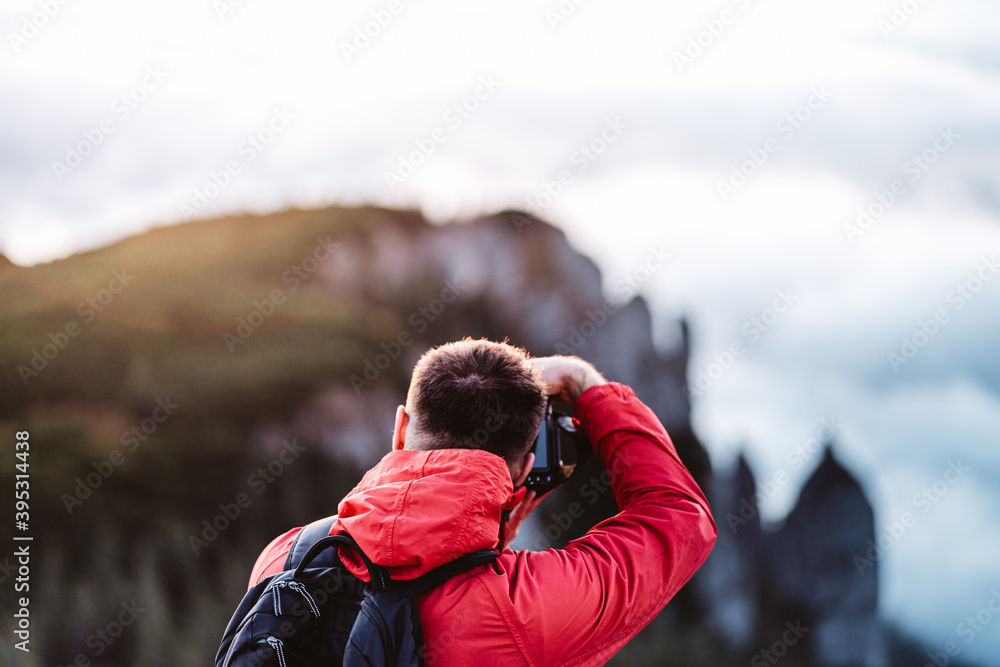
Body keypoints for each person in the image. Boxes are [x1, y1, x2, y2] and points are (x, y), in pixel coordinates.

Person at [247, 338, 717, 665]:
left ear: (400, 429)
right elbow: (678, 515)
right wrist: (587, 385)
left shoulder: (286, 556)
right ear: (522, 469)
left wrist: (482, 537)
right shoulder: (528, 611)